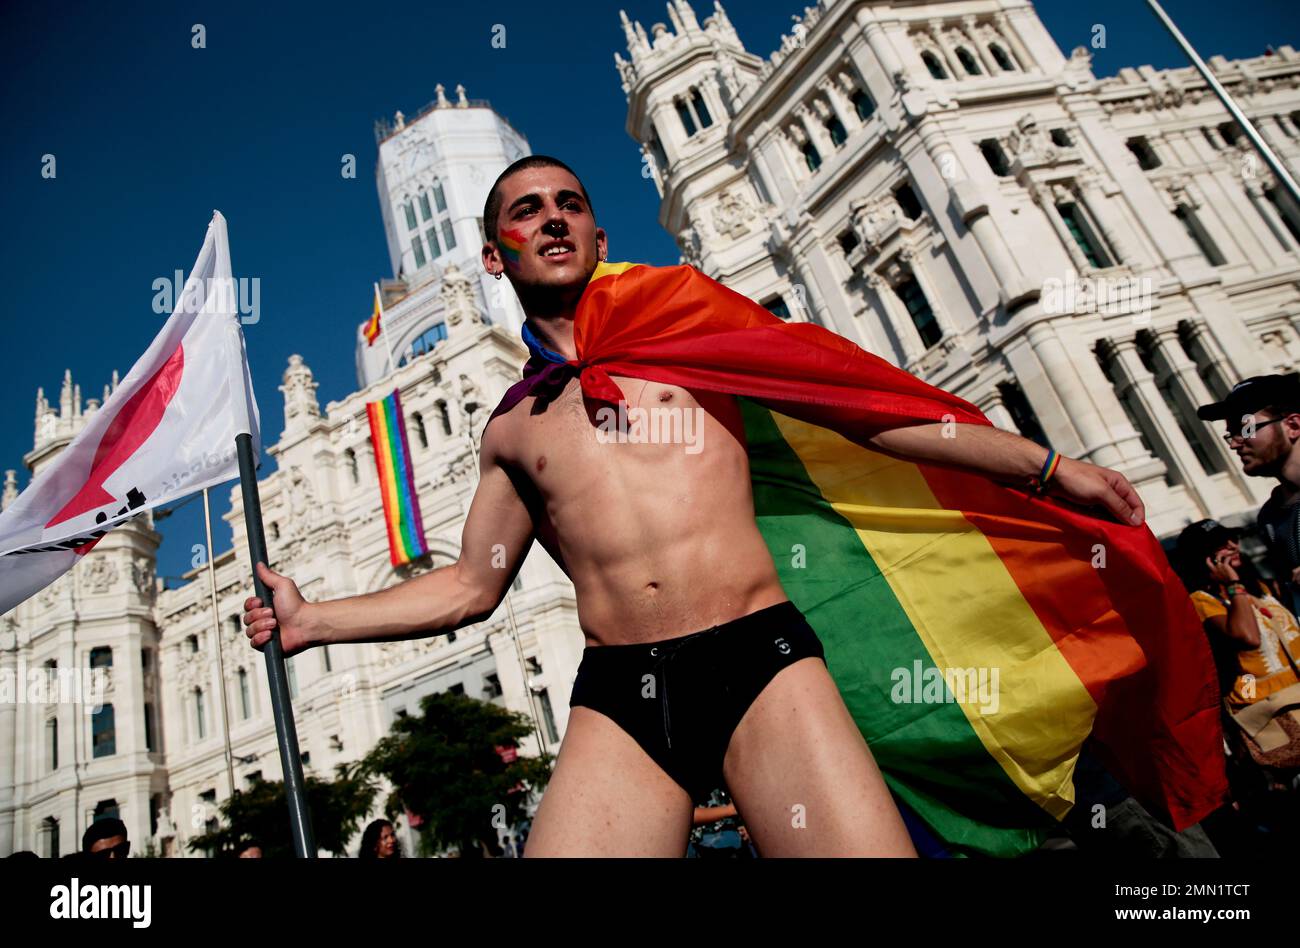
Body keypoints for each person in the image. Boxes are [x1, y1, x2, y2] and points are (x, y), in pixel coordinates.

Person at [243, 156, 1146, 858]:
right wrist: (314, 621)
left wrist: (1044, 466)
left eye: (570, 204)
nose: (552, 216)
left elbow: (864, 411)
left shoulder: (684, 330)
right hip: (623, 694)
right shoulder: (513, 428)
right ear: (494, 255)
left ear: (597, 235)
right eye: (526, 210)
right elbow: (470, 590)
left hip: (759, 659)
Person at [1175, 520, 1300, 768]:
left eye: (1232, 539)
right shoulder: (1202, 601)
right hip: (1272, 709)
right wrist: (1233, 585)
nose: (1233, 545)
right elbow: (1248, 638)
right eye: (1221, 544)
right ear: (1204, 557)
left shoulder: (1260, 587)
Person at [1197, 373, 1300, 614]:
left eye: (1245, 428)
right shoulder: (1270, 517)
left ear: (1293, 425)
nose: (1234, 443)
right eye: (1230, 433)